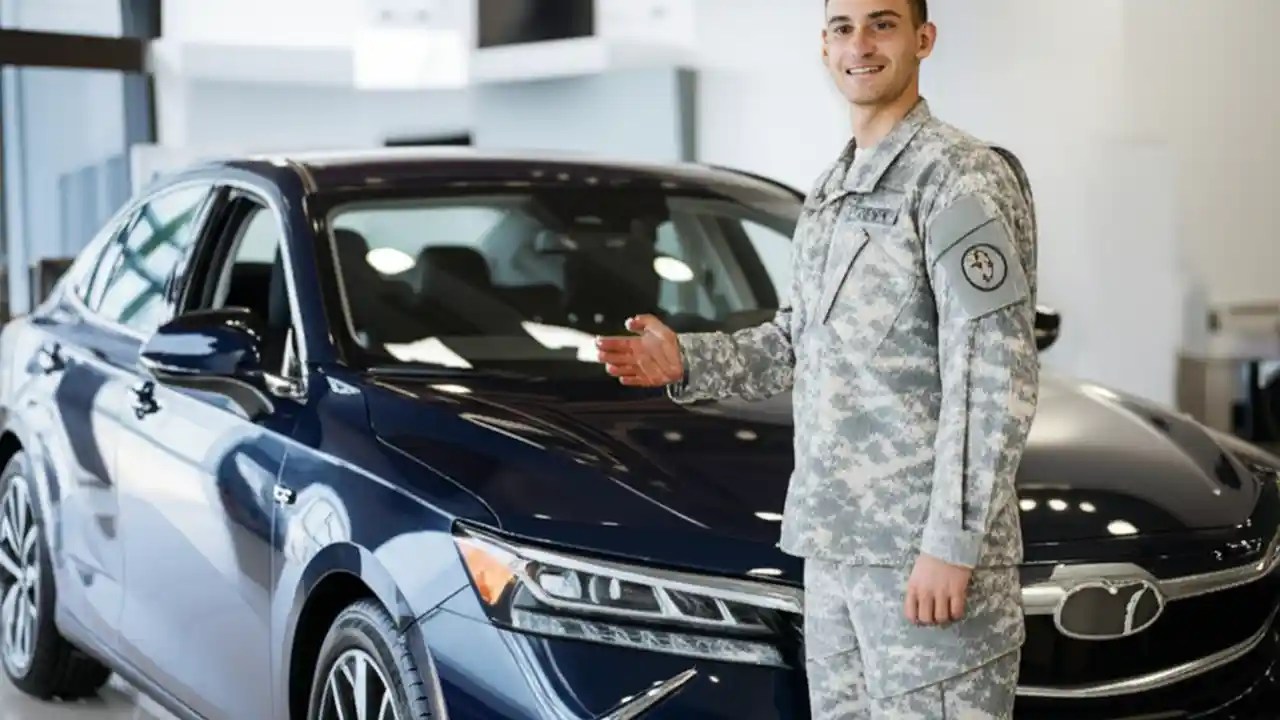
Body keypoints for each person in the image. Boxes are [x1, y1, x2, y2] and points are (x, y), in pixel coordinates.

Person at [595, 0, 1039, 717]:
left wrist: (953, 545)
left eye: (882, 23)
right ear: (824, 48)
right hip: (836, 549)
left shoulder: (959, 178)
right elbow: (803, 341)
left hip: (919, 555)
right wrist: (690, 362)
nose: (860, 43)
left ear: (923, 39)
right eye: (843, 27)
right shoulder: (833, 190)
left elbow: (994, 374)